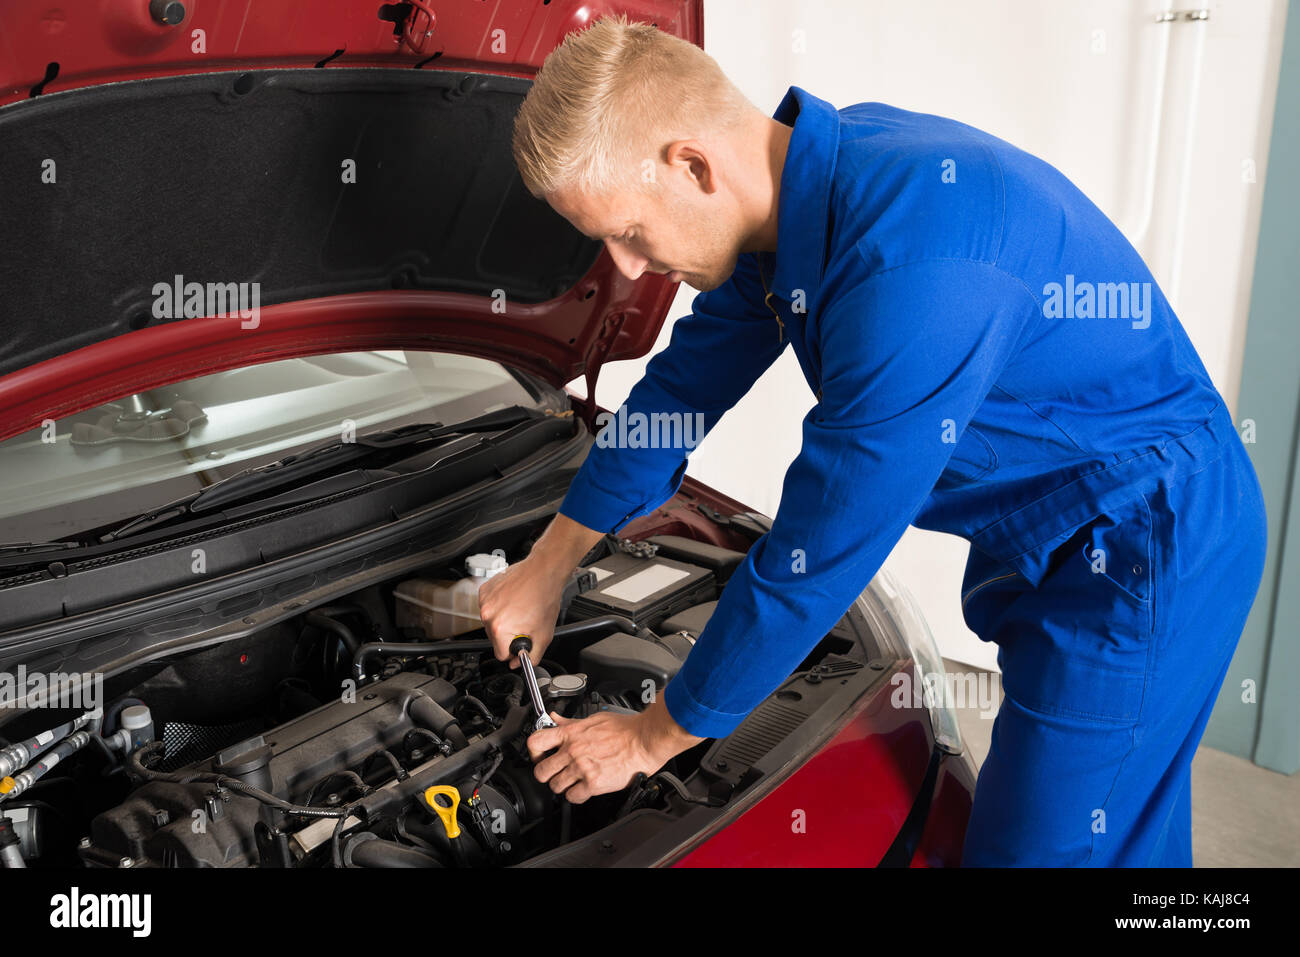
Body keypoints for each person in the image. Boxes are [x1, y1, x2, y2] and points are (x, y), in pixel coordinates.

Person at [478, 14, 1268, 865]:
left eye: (628, 231)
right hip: (1066, 537)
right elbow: (677, 395)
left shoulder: (913, 267)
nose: (626, 268)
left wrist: (650, 737)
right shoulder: (799, 198)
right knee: (1119, 832)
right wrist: (549, 567)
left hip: (1146, 547)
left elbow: (815, 556)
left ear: (692, 166)